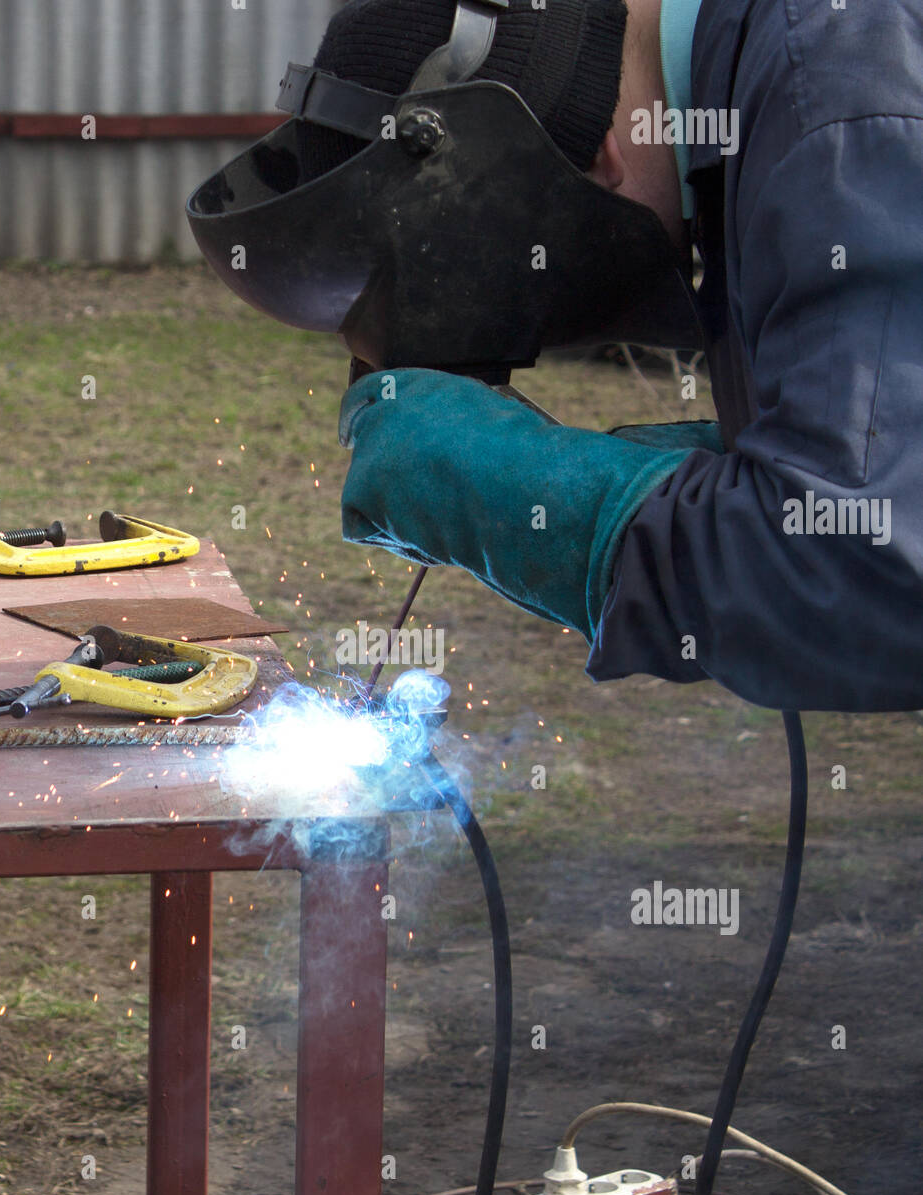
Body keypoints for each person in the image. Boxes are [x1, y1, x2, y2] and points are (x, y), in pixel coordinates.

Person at [190, 0, 923, 711]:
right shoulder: (791, 76)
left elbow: (863, 567)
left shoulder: (832, 86)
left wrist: (558, 504)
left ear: (597, 153)